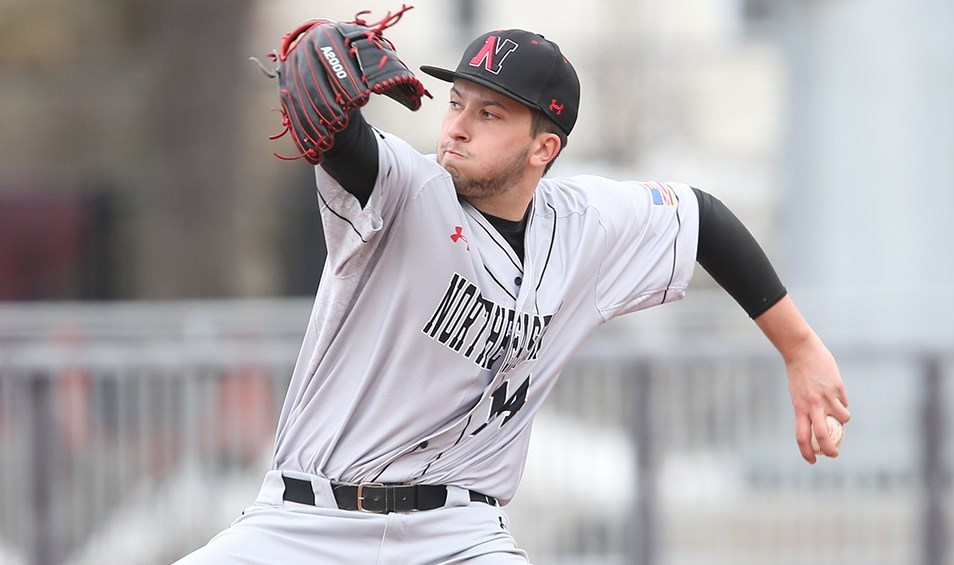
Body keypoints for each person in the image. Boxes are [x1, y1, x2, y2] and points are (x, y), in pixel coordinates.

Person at [177, 8, 850, 564]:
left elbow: (703, 219)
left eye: (491, 114)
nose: (458, 125)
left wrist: (800, 348)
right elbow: (346, 144)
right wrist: (326, 87)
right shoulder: (406, 189)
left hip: (456, 536)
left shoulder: (585, 227)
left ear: (543, 149)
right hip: (305, 524)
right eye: (458, 101)